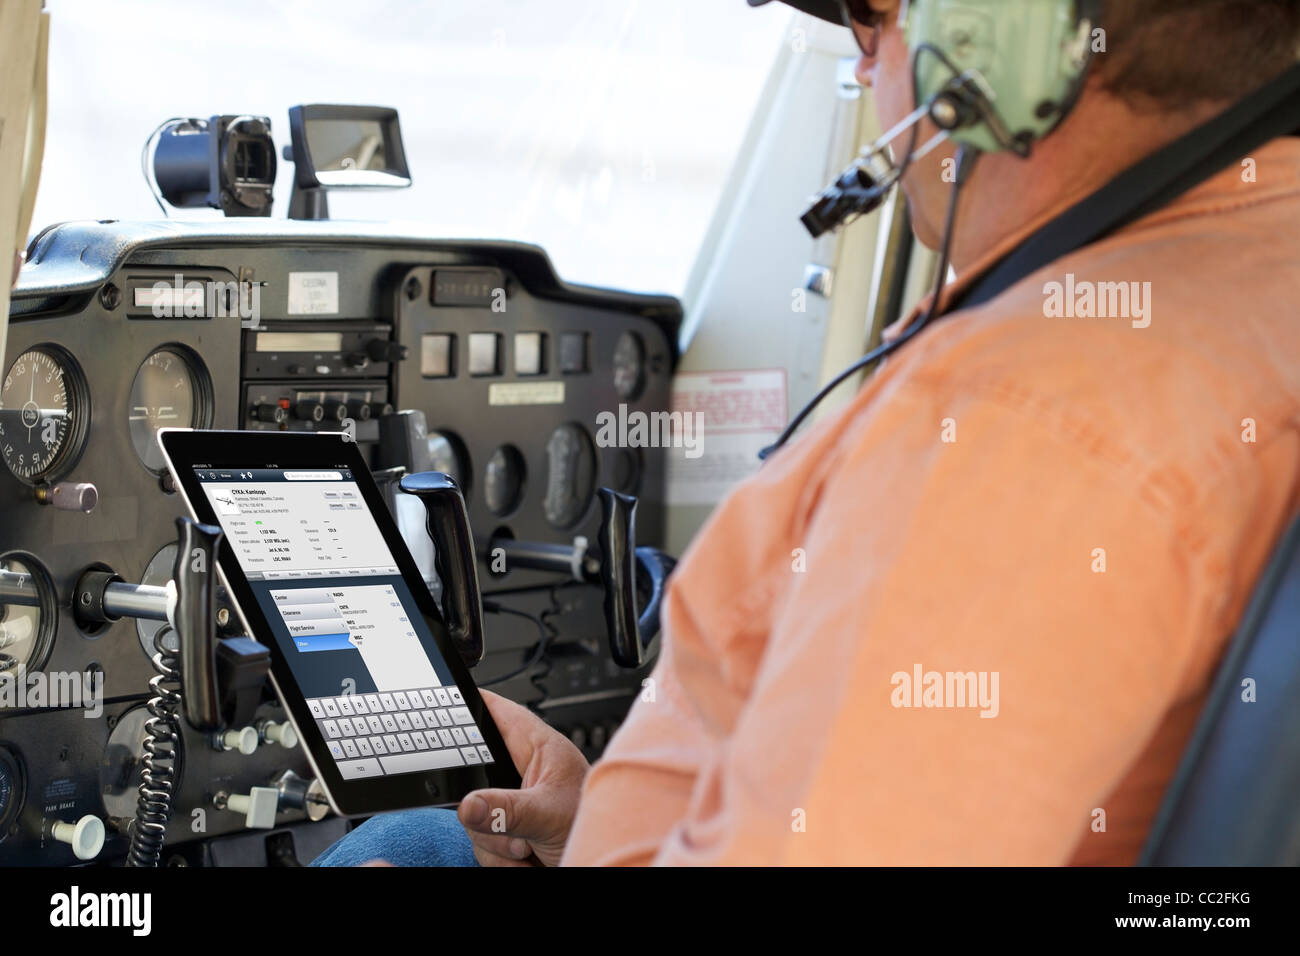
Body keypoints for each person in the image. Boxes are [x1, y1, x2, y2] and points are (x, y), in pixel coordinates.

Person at [314, 0, 1300, 866]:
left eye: (871, 13)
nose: (864, 64)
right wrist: (595, 826)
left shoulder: (1020, 423)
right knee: (426, 839)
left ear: (1007, 30)